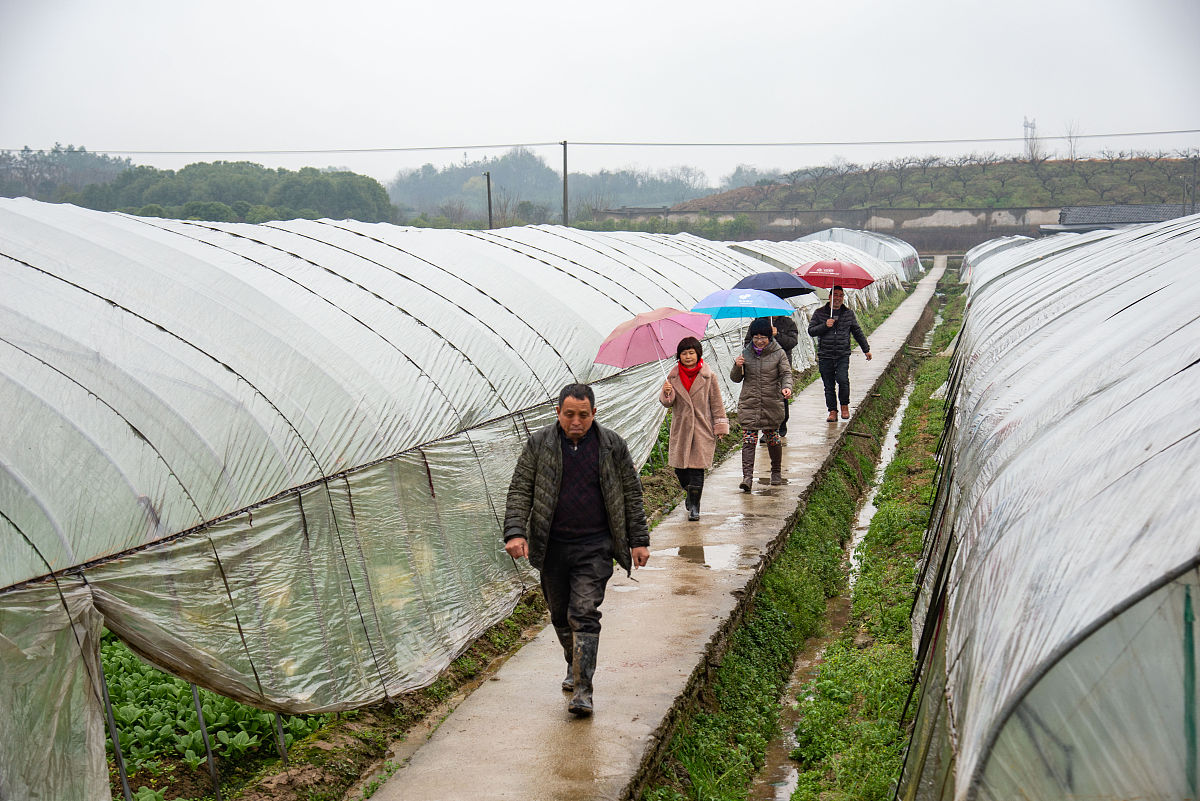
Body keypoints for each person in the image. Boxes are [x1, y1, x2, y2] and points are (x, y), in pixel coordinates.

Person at [502, 383, 651, 717]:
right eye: (569, 414)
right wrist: (515, 531)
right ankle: (575, 664)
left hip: (595, 546)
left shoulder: (611, 446)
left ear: (594, 414)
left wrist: (638, 539)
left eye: (583, 415)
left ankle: (583, 691)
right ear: (558, 413)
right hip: (552, 546)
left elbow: (631, 494)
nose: (576, 421)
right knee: (559, 614)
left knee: (583, 613)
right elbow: (520, 490)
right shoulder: (540, 444)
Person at [659, 336, 730, 521]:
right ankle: (690, 495)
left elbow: (716, 403)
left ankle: (695, 507)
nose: (688, 356)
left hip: (701, 427)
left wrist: (720, 426)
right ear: (679, 356)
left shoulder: (708, 376)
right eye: (684, 353)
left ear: (698, 354)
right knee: (680, 470)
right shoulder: (672, 377)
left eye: (691, 353)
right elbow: (668, 403)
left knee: (697, 469)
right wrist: (667, 393)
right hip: (681, 428)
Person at [730, 317, 792, 491]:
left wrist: (786, 388)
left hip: (771, 402)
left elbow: (786, 373)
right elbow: (736, 378)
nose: (759, 341)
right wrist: (737, 366)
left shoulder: (778, 353)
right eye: (756, 337)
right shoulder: (745, 353)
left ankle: (776, 472)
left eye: (763, 337)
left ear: (769, 337)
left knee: (772, 438)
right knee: (749, 440)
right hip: (750, 402)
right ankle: (747, 478)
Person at [807, 286, 872, 422]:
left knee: (843, 380)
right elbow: (811, 330)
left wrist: (866, 349)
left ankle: (844, 406)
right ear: (829, 297)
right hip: (825, 354)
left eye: (840, 296)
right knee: (828, 385)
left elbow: (857, 332)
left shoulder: (848, 314)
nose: (837, 298)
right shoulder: (819, 313)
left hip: (842, 354)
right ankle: (832, 411)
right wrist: (825, 325)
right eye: (835, 295)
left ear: (843, 298)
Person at [743, 313, 799, 442]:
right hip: (758, 365)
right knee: (763, 397)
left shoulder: (788, 323)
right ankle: (766, 429)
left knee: (780, 395)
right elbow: (748, 342)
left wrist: (777, 335)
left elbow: (792, 342)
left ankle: (781, 423)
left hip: (780, 364)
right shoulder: (757, 323)